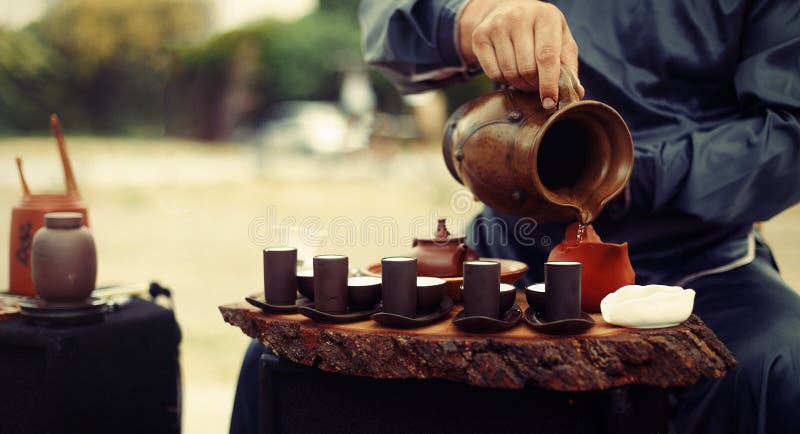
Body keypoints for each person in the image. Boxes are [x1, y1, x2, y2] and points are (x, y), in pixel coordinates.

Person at [231, 1, 799, 433]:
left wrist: (627, 171)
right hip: (508, 261)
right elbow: (387, 20)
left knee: (782, 370)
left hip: (704, 267)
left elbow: (789, 132)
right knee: (282, 362)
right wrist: (477, 17)